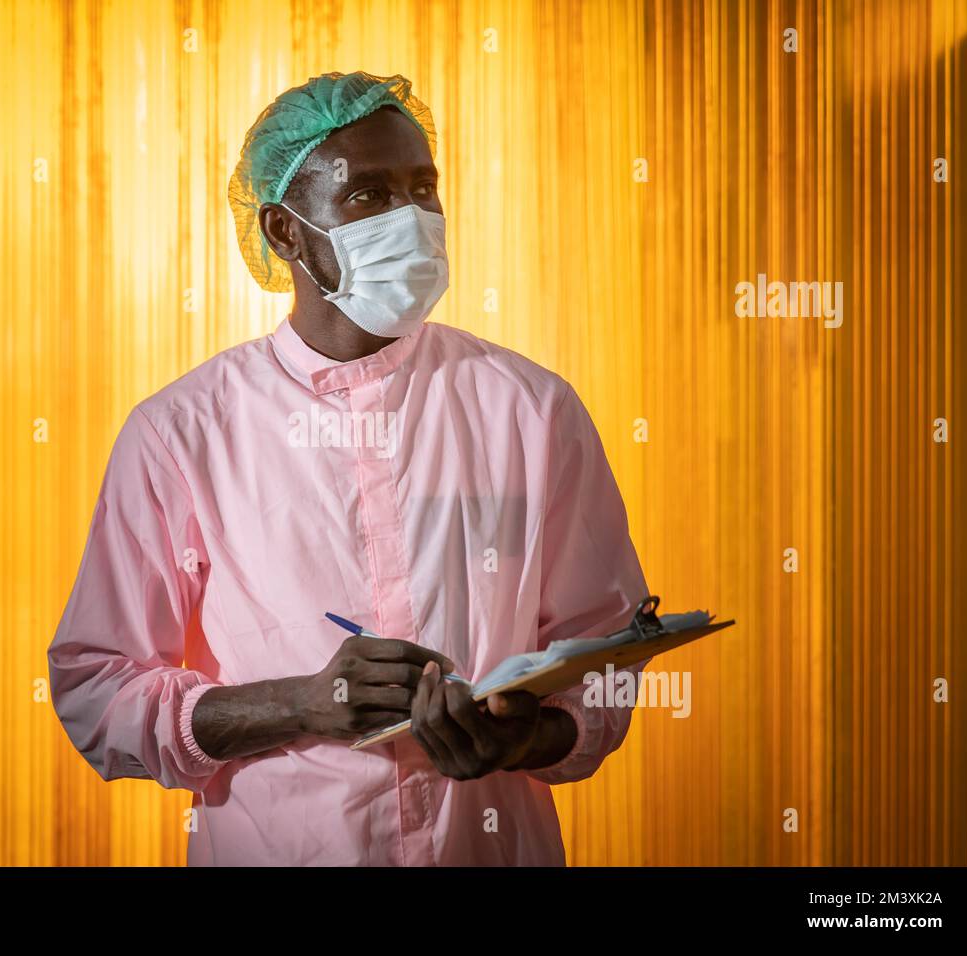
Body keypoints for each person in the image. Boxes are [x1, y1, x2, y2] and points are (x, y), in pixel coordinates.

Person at [48, 71, 649, 865]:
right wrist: (298, 704)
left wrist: (522, 738)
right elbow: (96, 694)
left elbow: (604, 663)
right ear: (285, 232)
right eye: (368, 196)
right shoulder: (182, 435)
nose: (413, 219)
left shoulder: (532, 412)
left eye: (423, 188)